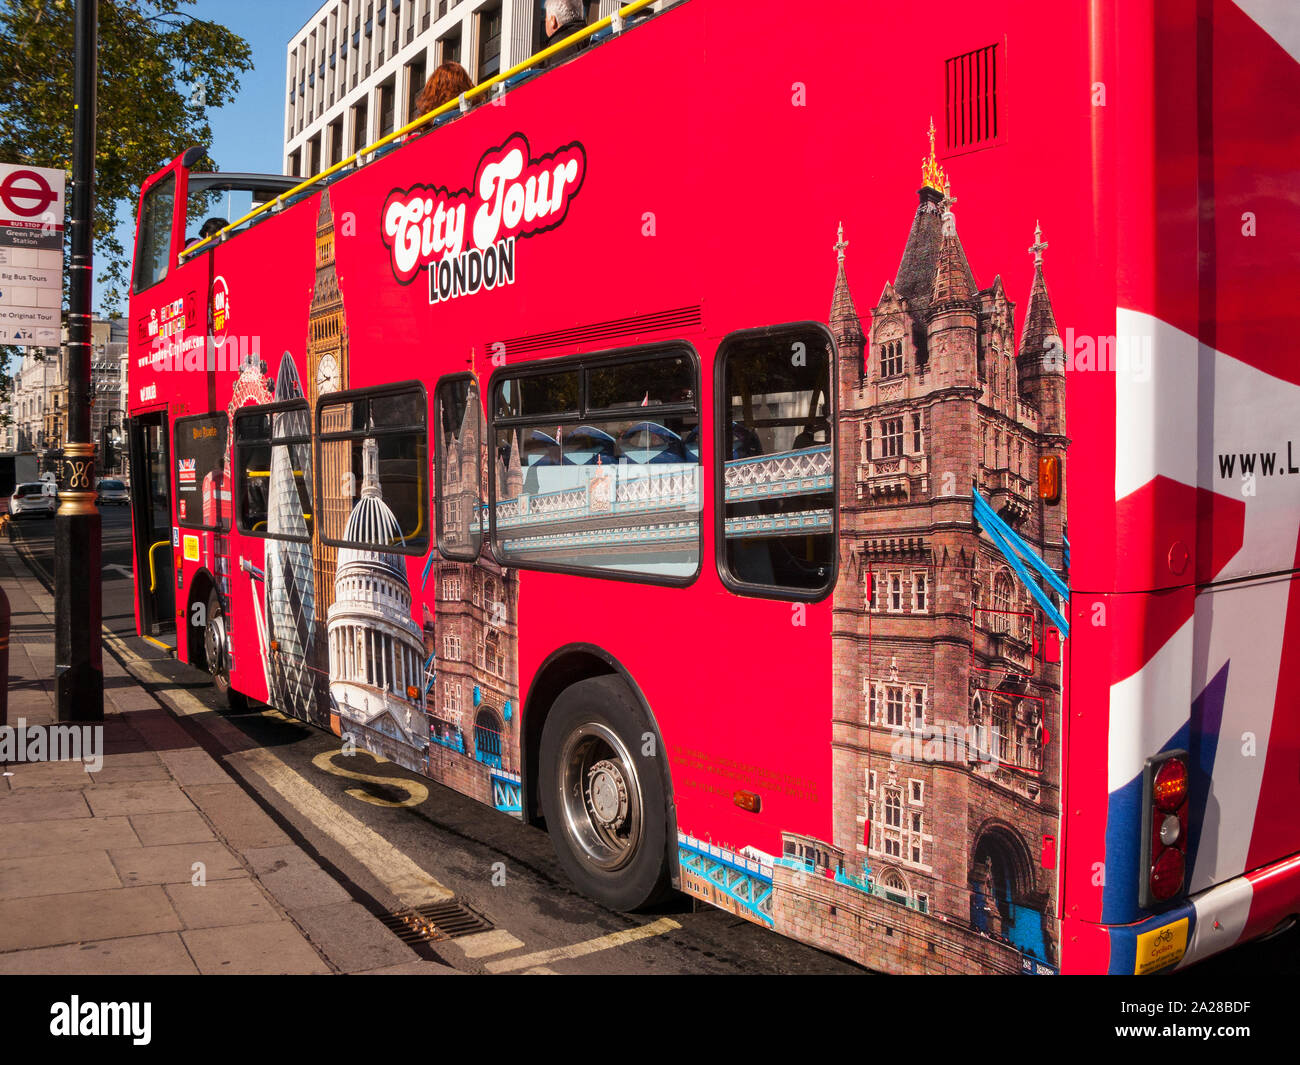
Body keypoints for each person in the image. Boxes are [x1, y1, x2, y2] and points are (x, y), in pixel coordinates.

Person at [542, 0, 589, 66]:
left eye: (546, 18)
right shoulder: (590, 36)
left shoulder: (558, 48)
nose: (545, 22)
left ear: (553, 21)